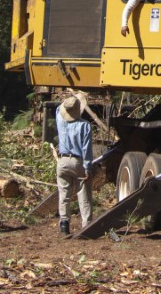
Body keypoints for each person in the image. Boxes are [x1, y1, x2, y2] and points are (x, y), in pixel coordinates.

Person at [55, 92, 93, 235]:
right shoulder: (85, 126)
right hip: (78, 161)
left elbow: (59, 109)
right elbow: (86, 149)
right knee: (83, 195)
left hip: (63, 161)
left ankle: (64, 224)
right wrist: (87, 168)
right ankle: (86, 226)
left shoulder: (60, 119)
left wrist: (68, 100)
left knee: (64, 195)